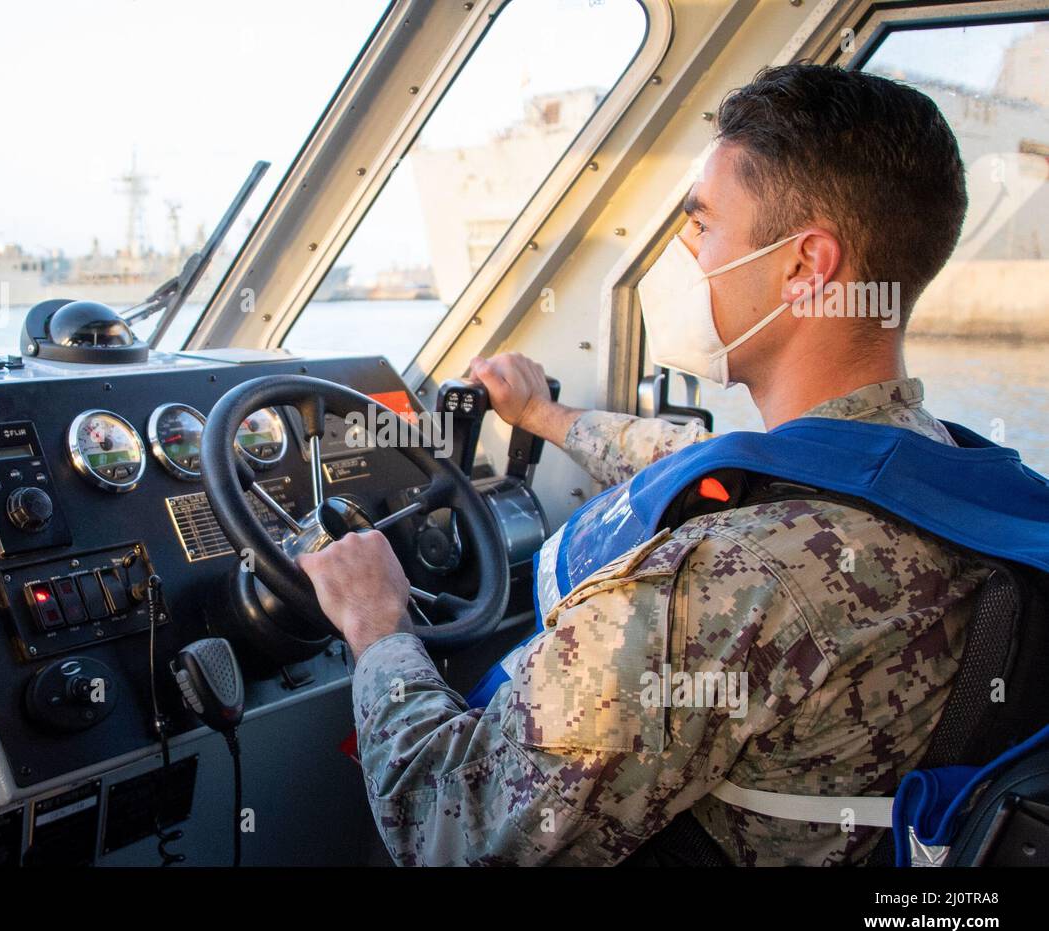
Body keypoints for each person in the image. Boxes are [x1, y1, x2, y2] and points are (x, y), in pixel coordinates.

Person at [298, 64, 985, 865]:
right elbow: (718, 464)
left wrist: (377, 625)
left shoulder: (728, 585)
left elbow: (454, 825)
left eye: (704, 226)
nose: (689, 255)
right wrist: (548, 419)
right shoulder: (945, 466)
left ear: (805, 268)